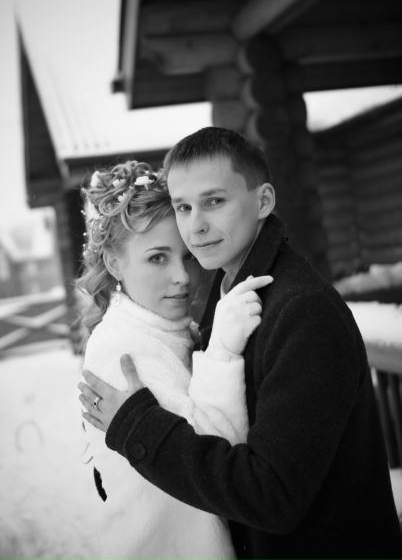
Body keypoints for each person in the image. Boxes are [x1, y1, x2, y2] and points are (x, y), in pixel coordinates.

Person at [79, 128, 402, 560]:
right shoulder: (228, 293)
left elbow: (271, 494)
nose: (196, 226)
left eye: (214, 201)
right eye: (183, 207)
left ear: (263, 201)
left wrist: (139, 427)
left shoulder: (302, 311)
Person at [76, 159, 272, 560]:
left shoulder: (166, 330)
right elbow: (216, 458)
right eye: (157, 258)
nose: (183, 276)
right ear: (113, 263)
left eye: (187, 257)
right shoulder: (122, 351)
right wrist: (223, 352)